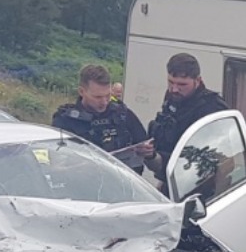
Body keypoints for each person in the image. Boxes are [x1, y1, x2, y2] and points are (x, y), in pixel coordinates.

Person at [52, 64, 154, 172]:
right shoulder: (65, 121)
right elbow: (55, 161)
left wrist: (148, 152)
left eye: (108, 95)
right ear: (82, 92)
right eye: (98, 97)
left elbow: (145, 146)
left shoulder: (122, 114)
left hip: (122, 184)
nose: (104, 102)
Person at [148, 53, 228, 183]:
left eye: (182, 84)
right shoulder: (171, 97)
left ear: (197, 81)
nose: (174, 89)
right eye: (170, 82)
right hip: (170, 177)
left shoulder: (212, 108)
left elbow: (211, 157)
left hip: (198, 181)